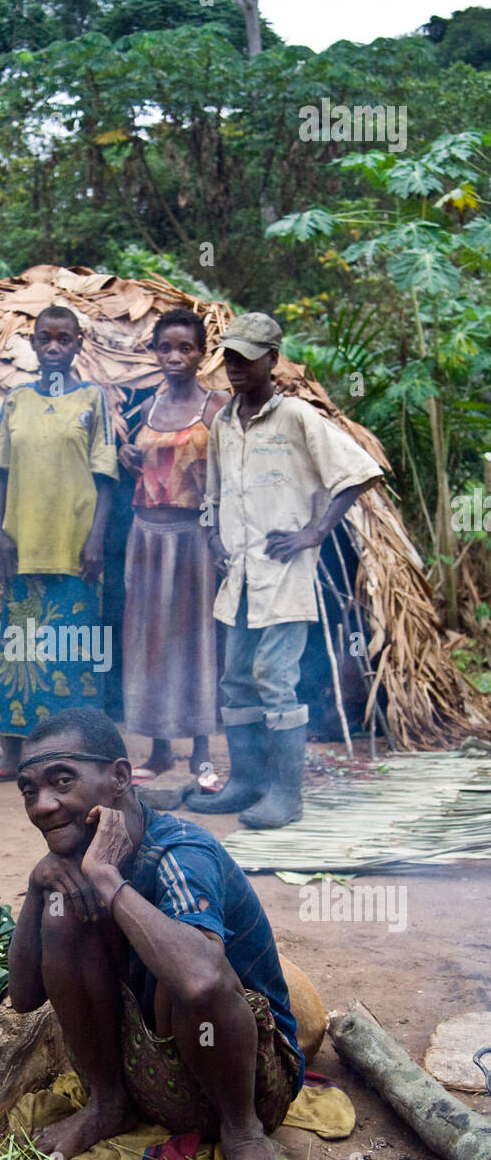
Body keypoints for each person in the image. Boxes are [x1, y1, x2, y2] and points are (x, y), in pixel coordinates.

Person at [8, 706, 304, 1160]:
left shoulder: (180, 852)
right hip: (148, 1073)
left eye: (62, 781)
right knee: (62, 909)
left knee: (185, 959)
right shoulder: (70, 859)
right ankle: (107, 1104)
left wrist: (106, 877)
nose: (43, 805)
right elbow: (22, 998)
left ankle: (243, 1134)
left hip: (247, 1079)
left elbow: (201, 982)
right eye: (29, 791)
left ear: (120, 777)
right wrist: (37, 889)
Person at [185, 313, 382, 828]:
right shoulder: (224, 422)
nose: (235, 368)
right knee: (235, 681)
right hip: (241, 576)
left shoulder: (295, 417)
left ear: (272, 360)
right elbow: (214, 493)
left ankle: (284, 795)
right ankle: (245, 782)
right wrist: (212, 535)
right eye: (229, 357)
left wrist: (315, 533)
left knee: (275, 678)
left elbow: (358, 473)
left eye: (247, 359)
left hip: (284, 573)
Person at [0, 306, 118, 784]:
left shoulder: (93, 400)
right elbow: (0, 470)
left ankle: (73, 764)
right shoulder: (15, 401)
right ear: (33, 344)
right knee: (20, 653)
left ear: (78, 344)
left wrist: (97, 537)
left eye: (64, 339)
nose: (54, 347)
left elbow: (106, 477)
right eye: (45, 339)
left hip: (75, 550)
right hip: (24, 547)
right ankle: (11, 760)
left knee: (73, 653)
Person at [118, 308, 229, 782]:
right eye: (166, 347)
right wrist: (128, 457)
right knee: (150, 641)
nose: (175, 356)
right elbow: (142, 470)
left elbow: (231, 473)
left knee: (196, 639)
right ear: (155, 353)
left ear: (202, 353)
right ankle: (160, 749)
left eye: (186, 347)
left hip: (194, 537)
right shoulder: (146, 410)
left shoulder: (216, 406)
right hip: (145, 535)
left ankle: (201, 749)